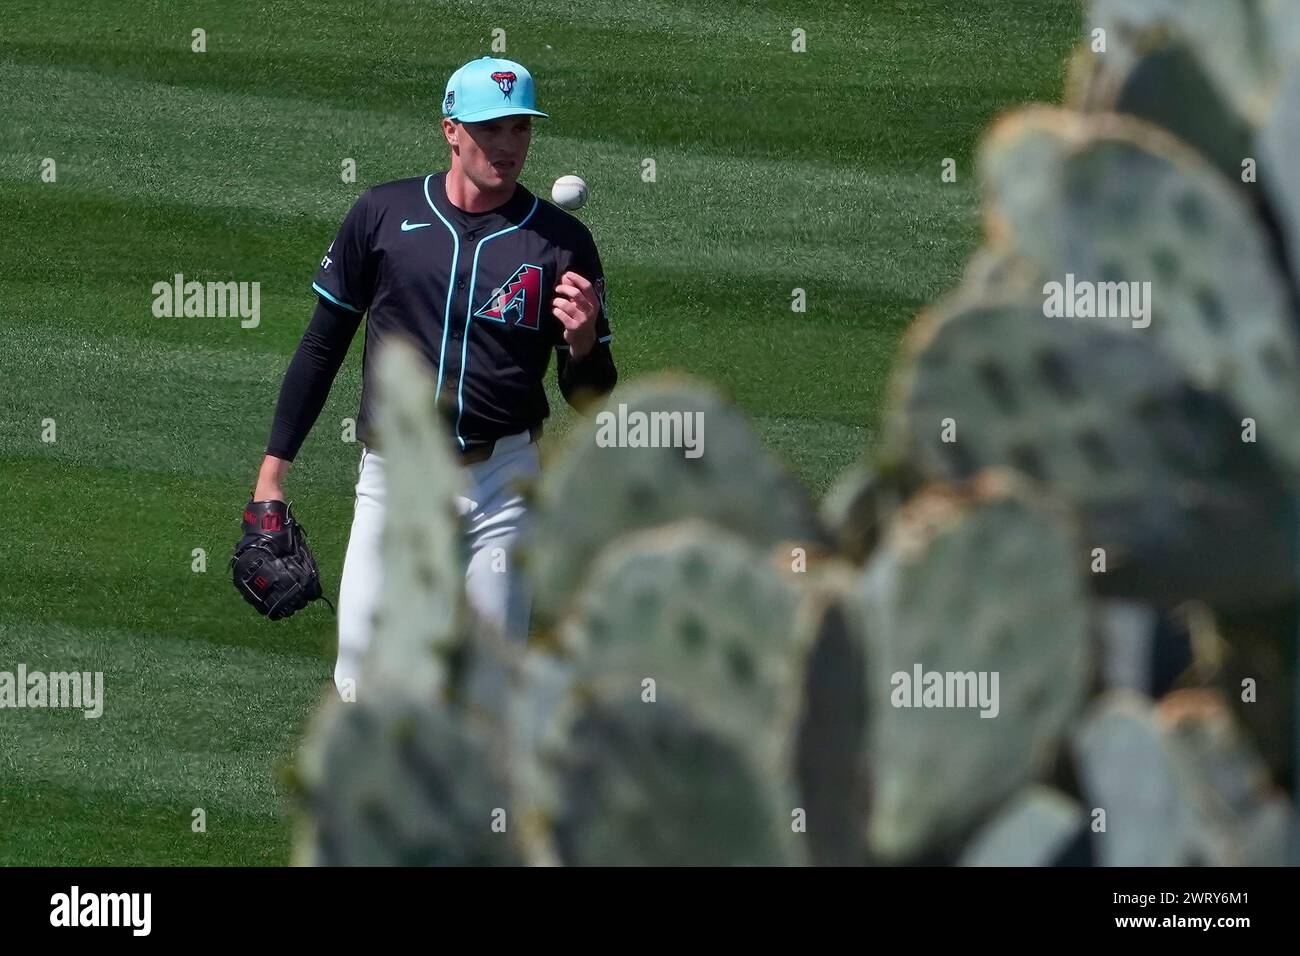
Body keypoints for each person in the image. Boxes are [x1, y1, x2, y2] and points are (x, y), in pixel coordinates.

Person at [245, 56, 617, 697]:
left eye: (520, 129)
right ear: (451, 129)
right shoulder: (383, 214)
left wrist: (583, 342)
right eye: (490, 128)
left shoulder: (561, 243)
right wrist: (270, 478)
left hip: (502, 485)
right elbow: (320, 346)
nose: (507, 145)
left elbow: (593, 397)